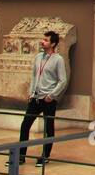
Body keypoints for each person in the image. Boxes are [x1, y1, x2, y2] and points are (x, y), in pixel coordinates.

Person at [12, 30, 68, 167]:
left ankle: (45, 155)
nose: (42, 42)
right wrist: (31, 92)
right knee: (25, 126)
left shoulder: (58, 60)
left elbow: (63, 80)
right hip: (35, 98)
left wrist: (52, 95)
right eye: (43, 40)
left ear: (53, 43)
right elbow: (33, 76)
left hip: (48, 100)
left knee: (49, 128)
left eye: (46, 40)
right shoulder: (38, 57)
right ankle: (21, 156)